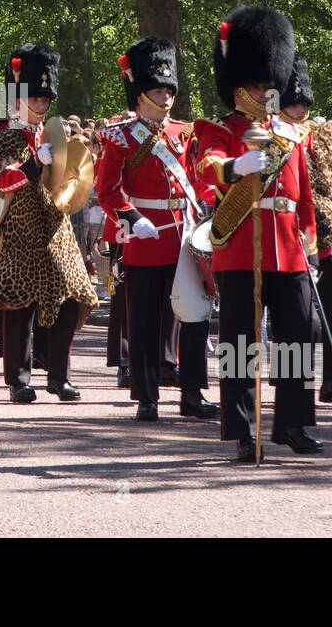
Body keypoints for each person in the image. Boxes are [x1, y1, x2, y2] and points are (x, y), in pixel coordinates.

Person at [194, 6, 321, 461]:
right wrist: (234, 167)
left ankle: (290, 423)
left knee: (298, 336)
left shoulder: (290, 135)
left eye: (271, 83)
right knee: (240, 346)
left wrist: (310, 242)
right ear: (238, 86)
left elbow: (302, 195)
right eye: (258, 83)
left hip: (288, 248)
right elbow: (204, 168)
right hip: (242, 248)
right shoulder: (219, 129)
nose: (266, 90)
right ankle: (244, 430)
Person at [95, 36, 216, 421]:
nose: (165, 98)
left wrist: (207, 205)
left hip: (184, 235)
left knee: (195, 315)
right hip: (145, 237)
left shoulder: (184, 132)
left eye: (168, 90)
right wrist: (131, 217)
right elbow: (107, 191)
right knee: (144, 321)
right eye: (157, 91)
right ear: (139, 94)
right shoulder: (121, 136)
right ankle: (147, 396)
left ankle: (192, 392)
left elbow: (197, 179)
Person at [0, 43, 97, 405]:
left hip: (56, 229)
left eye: (46, 99)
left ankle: (59, 376)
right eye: (35, 97)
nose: (42, 104)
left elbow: (77, 181)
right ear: (18, 98)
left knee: (73, 297)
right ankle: (18, 380)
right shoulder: (2, 139)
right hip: (17, 232)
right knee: (19, 307)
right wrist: (32, 164)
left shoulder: (57, 136)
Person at [278, 55, 332, 406]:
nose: (300, 108)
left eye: (304, 102)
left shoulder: (322, 134)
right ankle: (280, 383)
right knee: (292, 317)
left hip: (324, 234)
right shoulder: (271, 132)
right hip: (284, 233)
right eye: (293, 102)